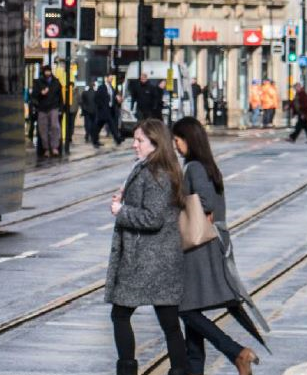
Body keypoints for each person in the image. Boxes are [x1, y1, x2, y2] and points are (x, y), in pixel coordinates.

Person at [171, 118, 265, 375]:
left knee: (184, 309)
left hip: (199, 249)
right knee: (192, 313)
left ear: (188, 140)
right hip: (207, 246)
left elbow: (205, 201)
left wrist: (177, 201)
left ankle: (236, 352)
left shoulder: (194, 167)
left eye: (177, 141)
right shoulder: (206, 165)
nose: (176, 146)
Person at [107, 119, 189, 375]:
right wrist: (125, 197)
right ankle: (179, 369)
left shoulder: (156, 174)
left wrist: (121, 211)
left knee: (121, 315)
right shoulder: (155, 168)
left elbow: (153, 218)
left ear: (155, 143)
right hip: (157, 259)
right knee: (169, 322)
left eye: (140, 140)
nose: (134, 145)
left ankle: (128, 370)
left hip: (147, 259)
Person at [31, 66, 64, 158]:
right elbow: (33, 96)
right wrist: (41, 93)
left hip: (53, 107)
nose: (47, 73)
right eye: (46, 71)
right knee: (43, 129)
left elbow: (60, 97)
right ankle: (46, 149)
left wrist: (61, 108)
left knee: (55, 126)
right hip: (42, 108)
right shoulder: (38, 82)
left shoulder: (56, 82)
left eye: (49, 71)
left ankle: (54, 147)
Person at [95, 78, 122, 146]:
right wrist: (101, 106)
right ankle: (117, 139)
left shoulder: (112, 88)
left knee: (102, 125)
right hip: (104, 110)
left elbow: (114, 98)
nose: (111, 80)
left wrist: (118, 100)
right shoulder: (101, 87)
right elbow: (97, 98)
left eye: (112, 79)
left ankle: (95, 138)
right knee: (110, 124)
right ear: (106, 79)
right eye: (110, 78)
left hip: (110, 110)